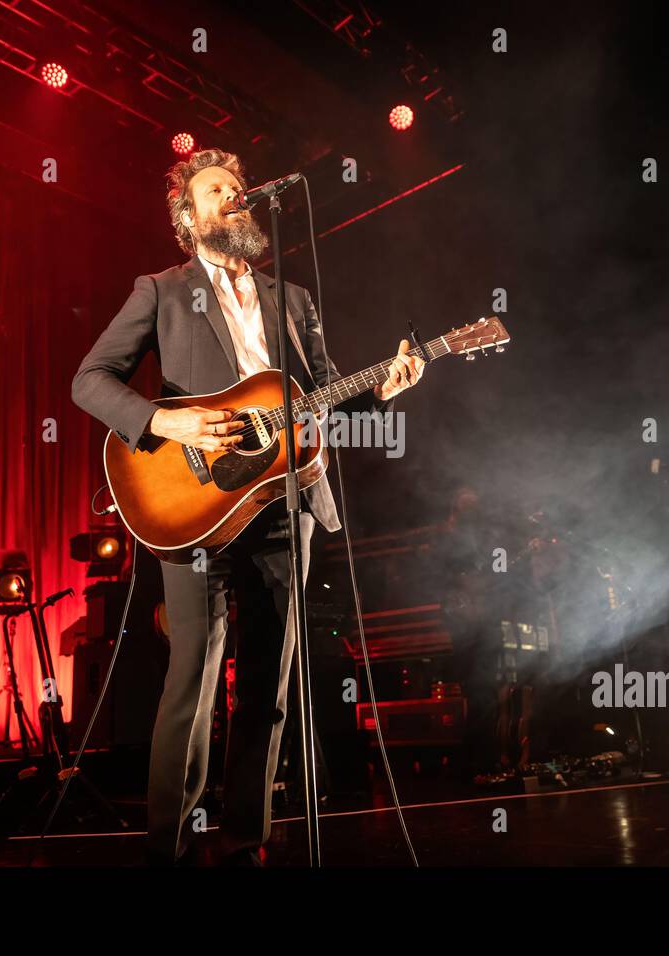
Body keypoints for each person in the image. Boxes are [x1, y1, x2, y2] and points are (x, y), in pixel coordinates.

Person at [71, 148, 424, 866]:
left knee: (269, 679)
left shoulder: (291, 298)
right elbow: (89, 380)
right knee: (193, 676)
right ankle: (166, 847)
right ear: (187, 216)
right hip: (191, 500)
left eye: (238, 188)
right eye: (218, 190)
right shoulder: (161, 290)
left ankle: (246, 838)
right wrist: (167, 423)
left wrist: (383, 384)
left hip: (281, 501)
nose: (236, 197)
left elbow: (322, 390)